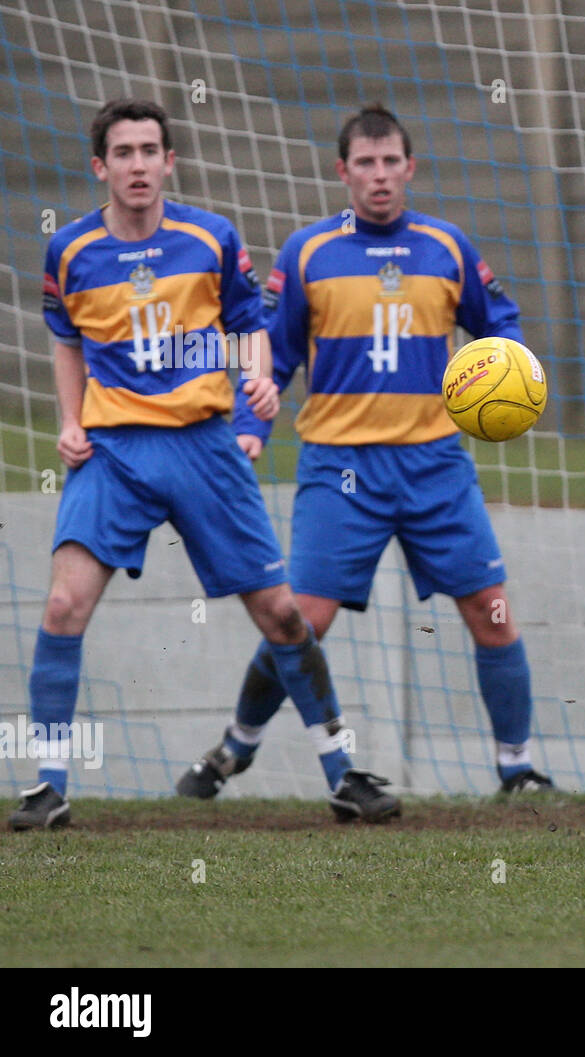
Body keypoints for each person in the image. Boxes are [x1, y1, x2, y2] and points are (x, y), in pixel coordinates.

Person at [10, 98, 377, 830]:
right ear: (100, 166)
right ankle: (45, 785)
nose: (138, 164)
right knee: (61, 604)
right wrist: (70, 423)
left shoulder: (210, 237)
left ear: (169, 161)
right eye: (124, 152)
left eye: (151, 150)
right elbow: (65, 338)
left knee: (280, 610)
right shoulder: (71, 251)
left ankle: (344, 771)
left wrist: (259, 389)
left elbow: (249, 326)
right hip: (113, 453)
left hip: (205, 446)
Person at [177, 104, 552, 800]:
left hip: (437, 463)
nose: (379, 176)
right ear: (342, 171)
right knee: (301, 620)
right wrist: (249, 424)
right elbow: (273, 353)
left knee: (491, 610)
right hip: (340, 466)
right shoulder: (308, 252)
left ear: (409, 168)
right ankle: (237, 746)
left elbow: (500, 321)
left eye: (390, 162)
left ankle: (519, 768)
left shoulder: (448, 246)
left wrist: (506, 371)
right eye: (365, 163)